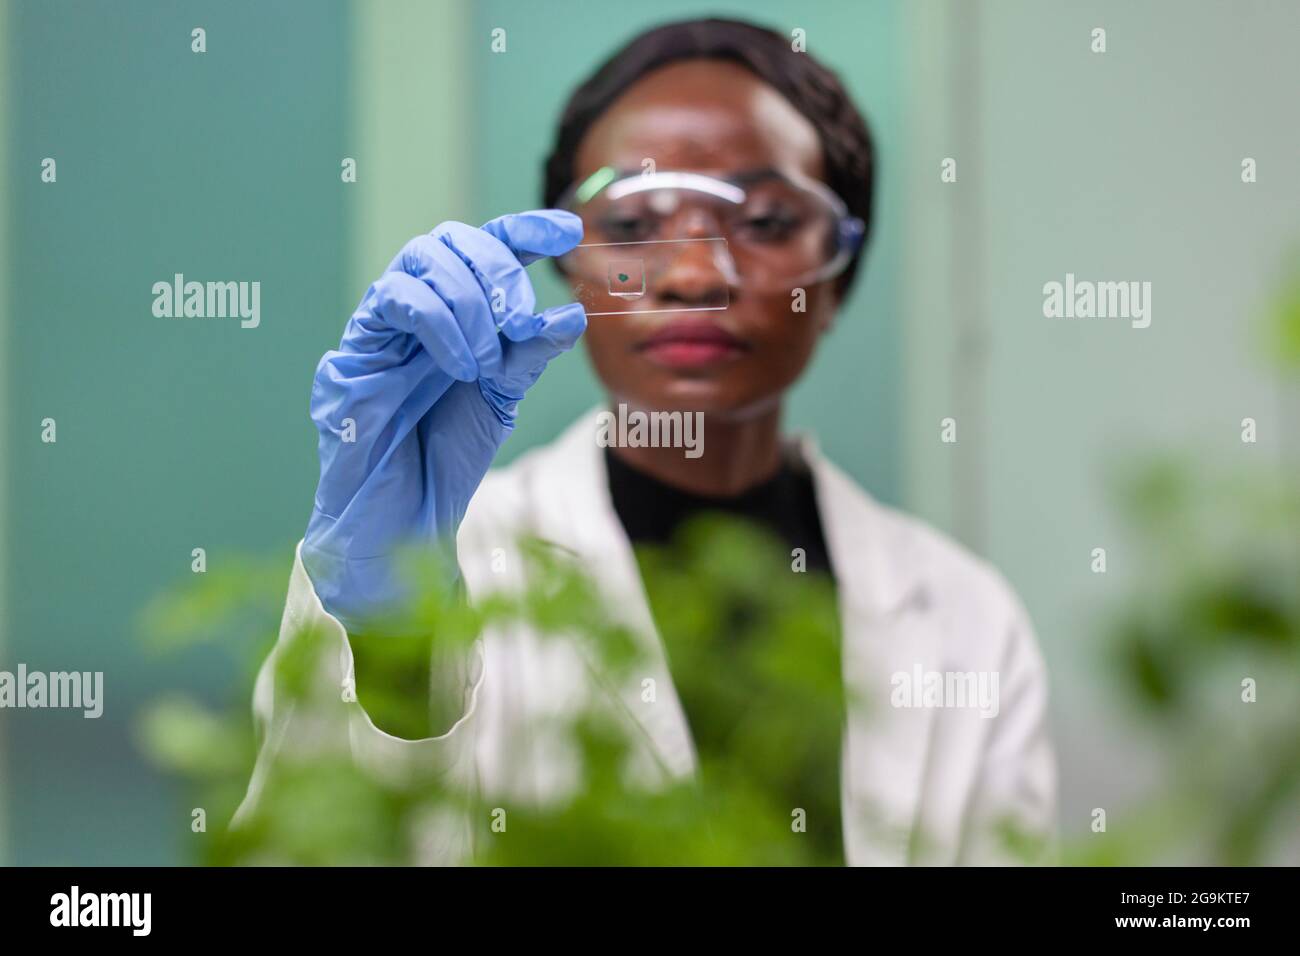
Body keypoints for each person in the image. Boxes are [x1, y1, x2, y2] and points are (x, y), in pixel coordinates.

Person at [236, 17, 1056, 865]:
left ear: (838, 275)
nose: (695, 274)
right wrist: (389, 640)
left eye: (768, 220)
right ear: (562, 260)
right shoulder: (463, 559)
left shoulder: (966, 621)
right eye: (630, 225)